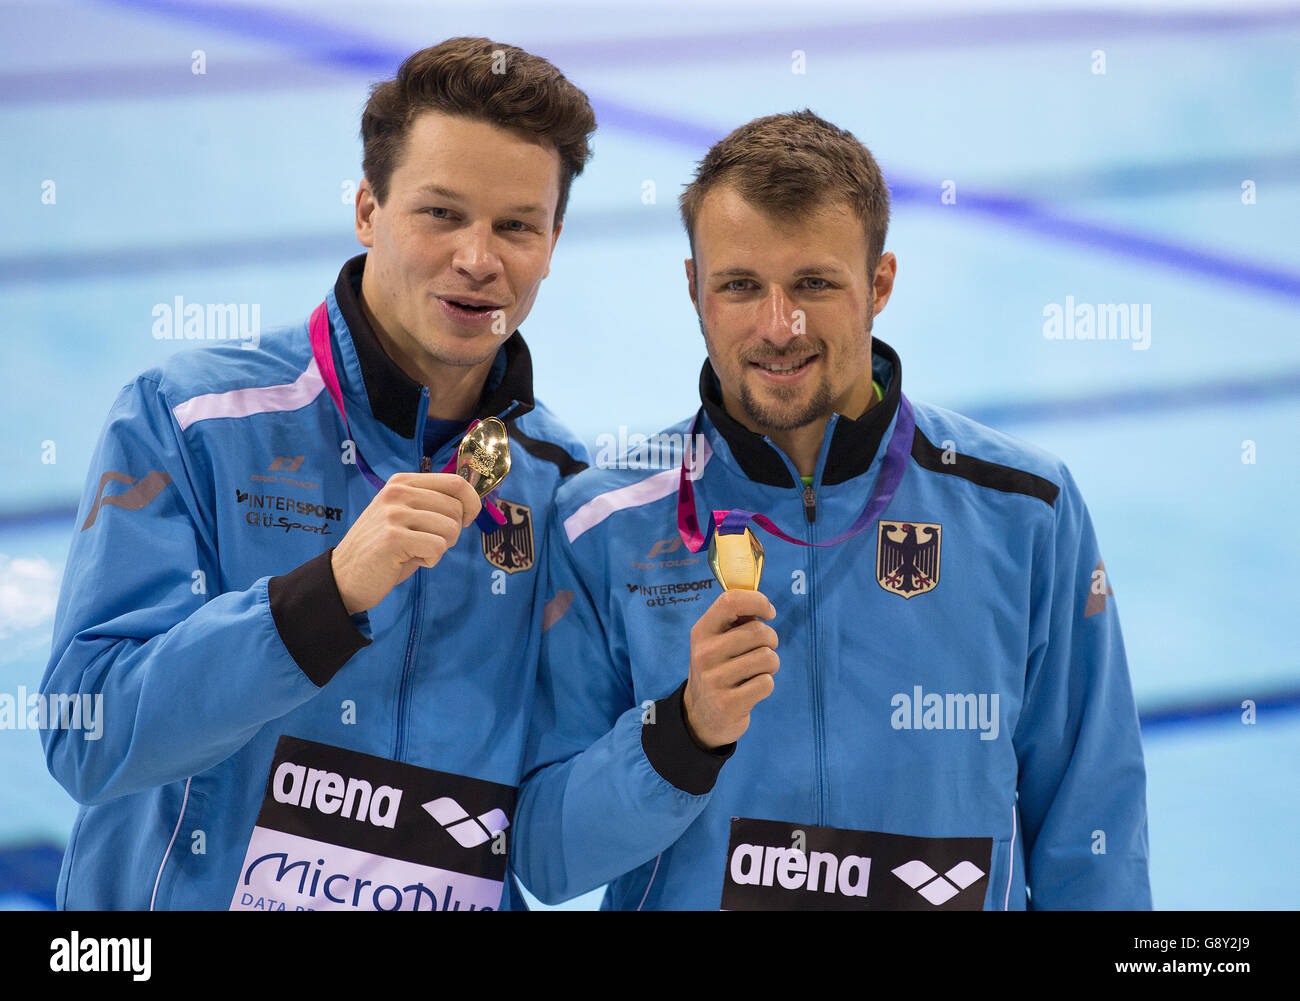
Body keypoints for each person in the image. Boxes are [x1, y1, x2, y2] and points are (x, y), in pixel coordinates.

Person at [512, 109, 1151, 910]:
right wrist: (680, 734)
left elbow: (1093, 836)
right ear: (694, 289)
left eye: (814, 283)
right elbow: (542, 853)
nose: (779, 327)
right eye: (741, 286)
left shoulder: (1025, 510)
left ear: (879, 283)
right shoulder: (603, 524)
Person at [40, 37, 595, 911]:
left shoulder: (563, 486)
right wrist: (322, 598)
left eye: (516, 225)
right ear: (368, 209)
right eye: (441, 214)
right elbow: (89, 735)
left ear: (554, 240)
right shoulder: (191, 421)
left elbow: (558, 838)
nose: (480, 259)